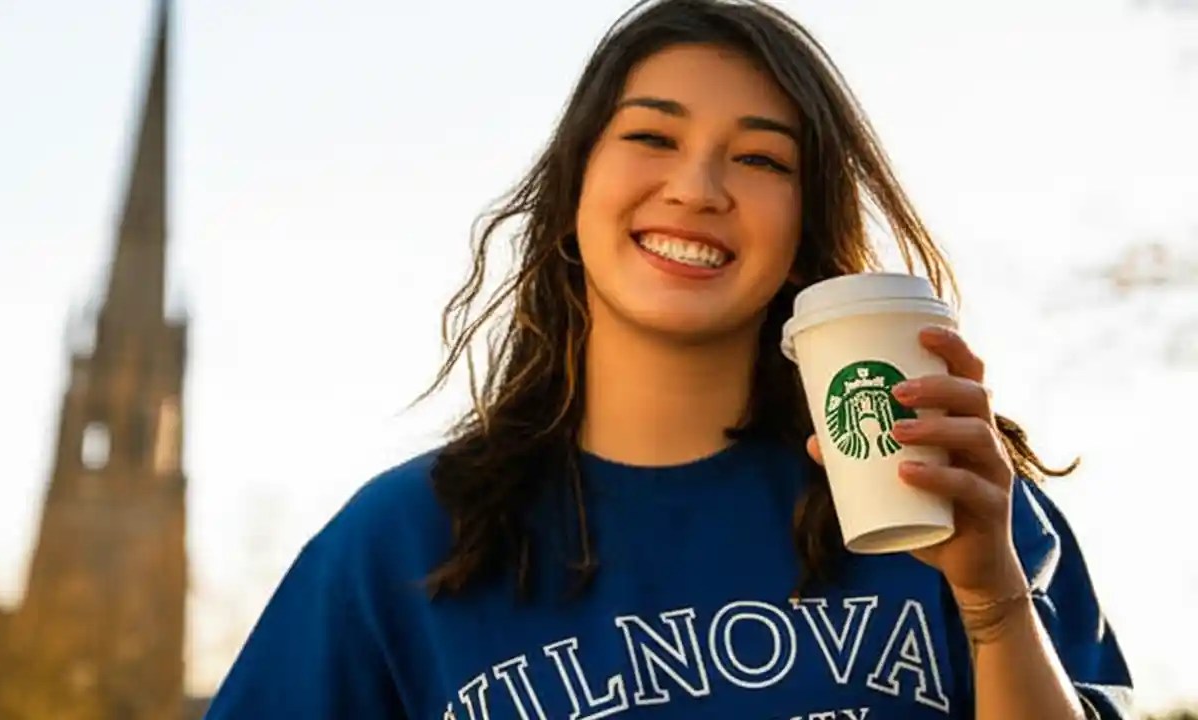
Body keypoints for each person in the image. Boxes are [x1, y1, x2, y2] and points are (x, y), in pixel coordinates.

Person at [203, 0, 1133, 717]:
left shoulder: (955, 501)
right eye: (652, 136)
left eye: (763, 160)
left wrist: (992, 598)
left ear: (806, 223)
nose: (697, 188)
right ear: (575, 184)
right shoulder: (399, 544)